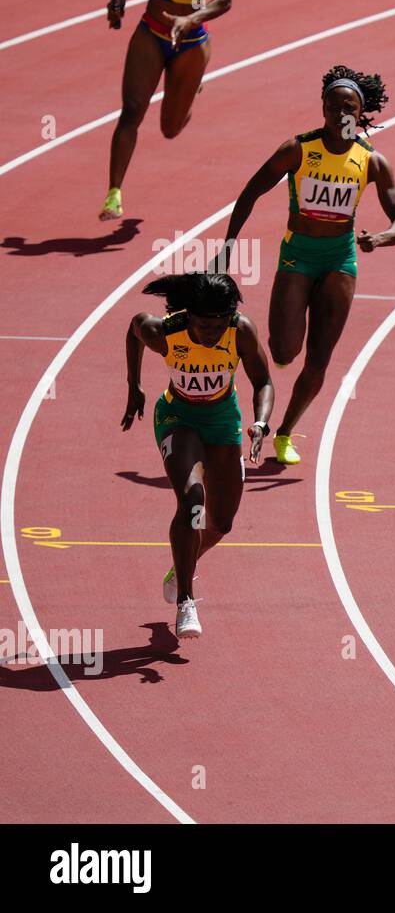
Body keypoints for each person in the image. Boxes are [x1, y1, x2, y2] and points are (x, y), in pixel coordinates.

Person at [214, 65, 395, 464]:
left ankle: (284, 432)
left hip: (340, 260)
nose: (341, 113)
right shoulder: (298, 150)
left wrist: (381, 238)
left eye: (349, 106)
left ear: (360, 112)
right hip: (297, 256)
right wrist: (229, 244)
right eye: (334, 105)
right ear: (322, 107)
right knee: (284, 349)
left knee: (319, 360)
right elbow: (249, 192)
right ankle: (269, 377)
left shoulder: (371, 161)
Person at [122, 270, 273, 639]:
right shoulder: (166, 332)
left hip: (223, 419)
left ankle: (182, 565)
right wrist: (134, 385)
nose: (211, 334)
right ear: (189, 317)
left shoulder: (240, 332)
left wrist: (261, 424)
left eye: (218, 326)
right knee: (192, 499)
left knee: (221, 523)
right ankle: (186, 602)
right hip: (178, 416)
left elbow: (264, 382)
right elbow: (135, 326)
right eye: (204, 326)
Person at [101, 0, 232, 220]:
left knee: (170, 129)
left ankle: (189, 89)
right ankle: (113, 194)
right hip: (151, 30)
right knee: (132, 109)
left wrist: (192, 19)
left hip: (191, 41)